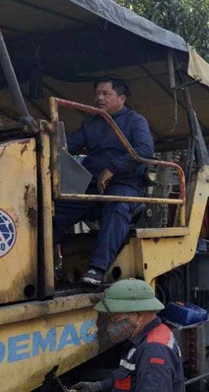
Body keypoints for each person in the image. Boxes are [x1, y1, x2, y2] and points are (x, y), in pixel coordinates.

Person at [53, 77, 154, 285]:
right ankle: (40, 264)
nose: (99, 98)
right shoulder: (92, 121)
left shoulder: (136, 121)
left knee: (117, 206)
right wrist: (48, 141)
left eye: (105, 94)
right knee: (53, 209)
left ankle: (97, 269)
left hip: (125, 182)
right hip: (91, 184)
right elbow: (68, 145)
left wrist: (113, 168)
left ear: (122, 98)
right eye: (97, 93)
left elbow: (145, 150)